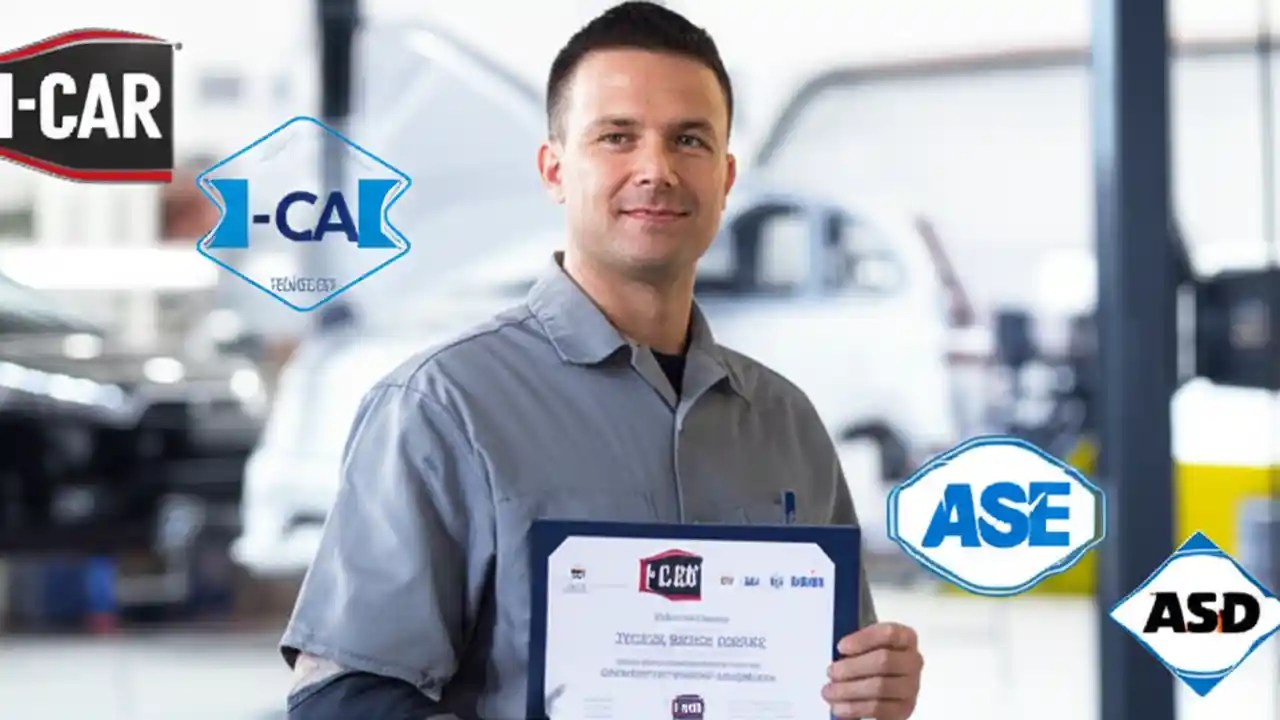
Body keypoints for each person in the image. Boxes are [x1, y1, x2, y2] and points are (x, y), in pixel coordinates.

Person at [281, 3, 925, 718]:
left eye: (689, 141)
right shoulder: (443, 407)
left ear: (726, 177)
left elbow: (832, 683)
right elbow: (340, 699)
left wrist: (872, 691)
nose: (656, 170)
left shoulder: (785, 423)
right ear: (554, 169)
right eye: (617, 137)